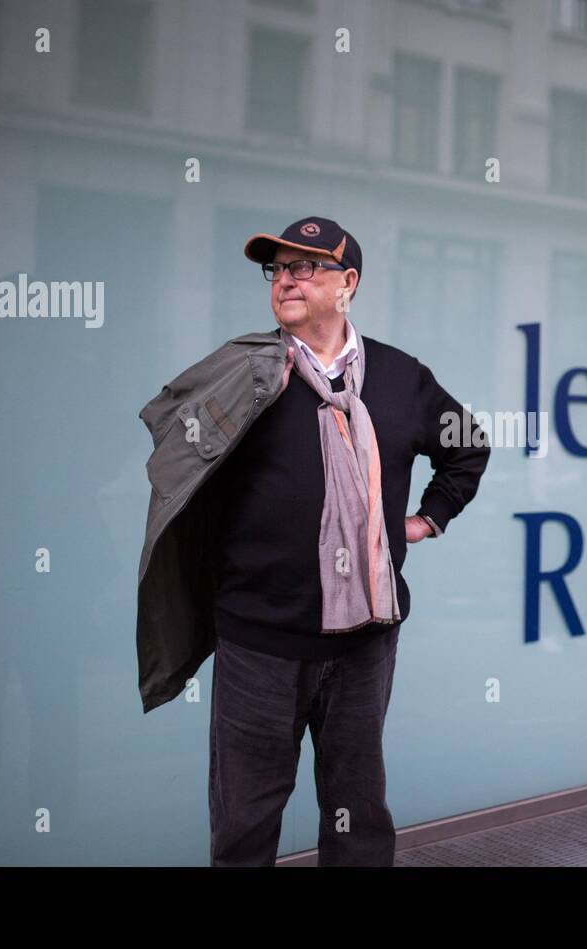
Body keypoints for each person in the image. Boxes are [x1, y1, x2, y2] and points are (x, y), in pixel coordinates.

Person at [185, 216, 490, 866]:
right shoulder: (244, 373)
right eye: (278, 268)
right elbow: (186, 480)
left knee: (358, 823)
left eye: (306, 266)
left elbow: (468, 446)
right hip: (259, 641)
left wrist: (428, 517)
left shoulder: (400, 378)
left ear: (347, 283)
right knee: (243, 824)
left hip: (364, 646)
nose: (287, 279)